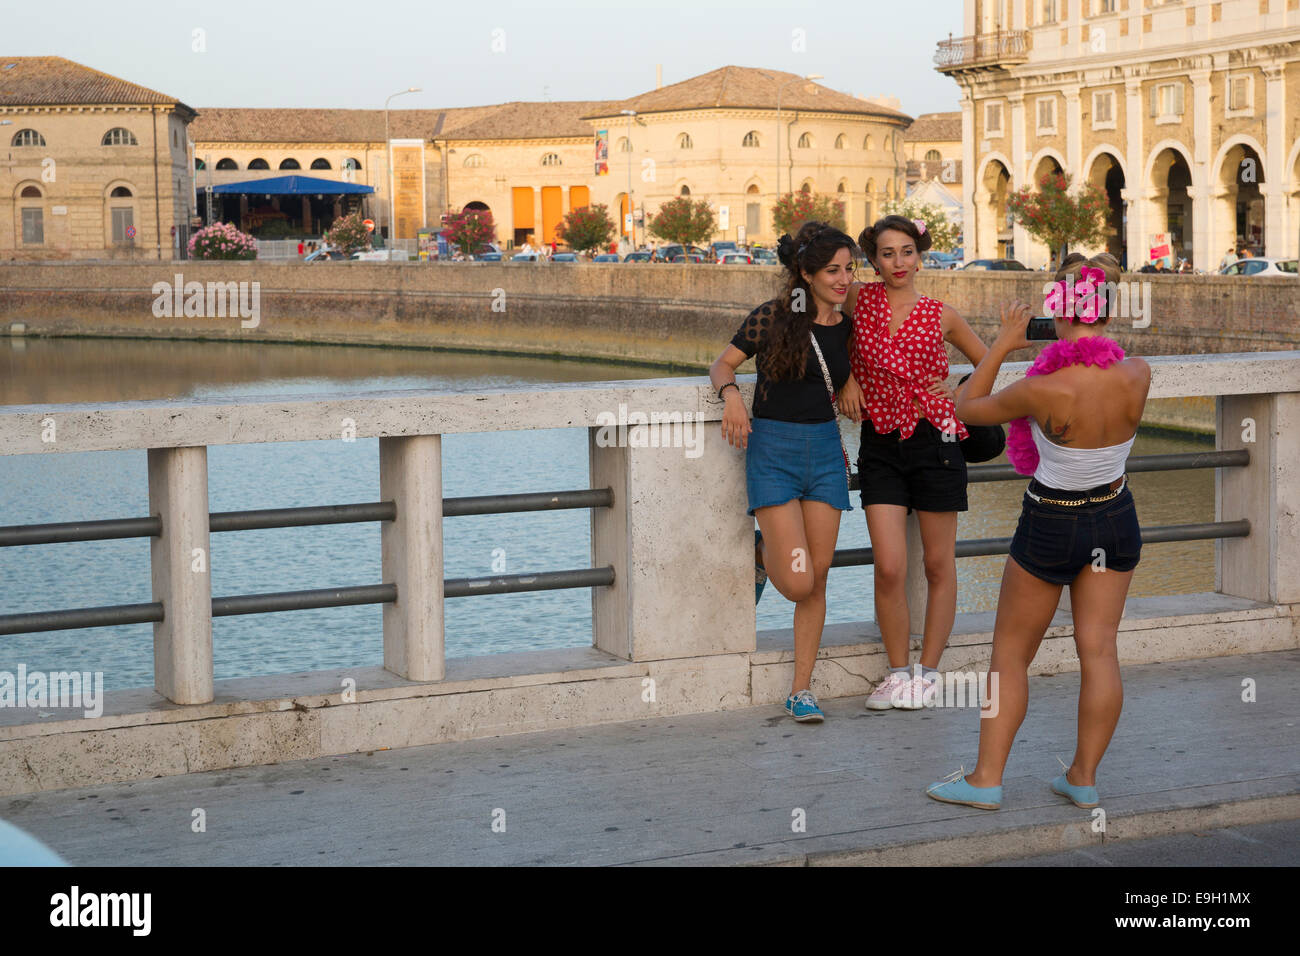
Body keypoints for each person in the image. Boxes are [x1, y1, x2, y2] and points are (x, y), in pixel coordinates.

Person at [925, 252, 1151, 811]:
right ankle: (1083, 776)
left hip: (1052, 518)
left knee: (1010, 654)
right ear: (1106, 310)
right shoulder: (1137, 373)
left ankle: (986, 780)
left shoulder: (1041, 388)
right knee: (1099, 650)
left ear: (1059, 311)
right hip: (1115, 516)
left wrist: (1003, 341)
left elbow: (966, 408)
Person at [837, 215, 988, 710]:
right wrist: (845, 380)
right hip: (880, 443)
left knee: (939, 564)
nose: (897, 262)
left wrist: (958, 390)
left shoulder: (941, 313)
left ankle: (928, 674)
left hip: (936, 442)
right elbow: (821, 327)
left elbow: (987, 359)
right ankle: (897, 672)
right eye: (886, 253)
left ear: (920, 255)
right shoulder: (859, 300)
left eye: (906, 251)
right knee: (889, 566)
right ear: (873, 260)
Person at [710, 221, 858, 724]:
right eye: (833, 270)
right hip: (772, 450)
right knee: (796, 582)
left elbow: (847, 363)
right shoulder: (773, 318)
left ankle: (801, 689)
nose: (845, 279)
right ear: (806, 273)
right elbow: (722, 365)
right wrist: (732, 397)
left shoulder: (849, 322)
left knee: (817, 579)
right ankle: (762, 551)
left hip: (824, 454)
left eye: (850, 268)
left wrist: (853, 378)